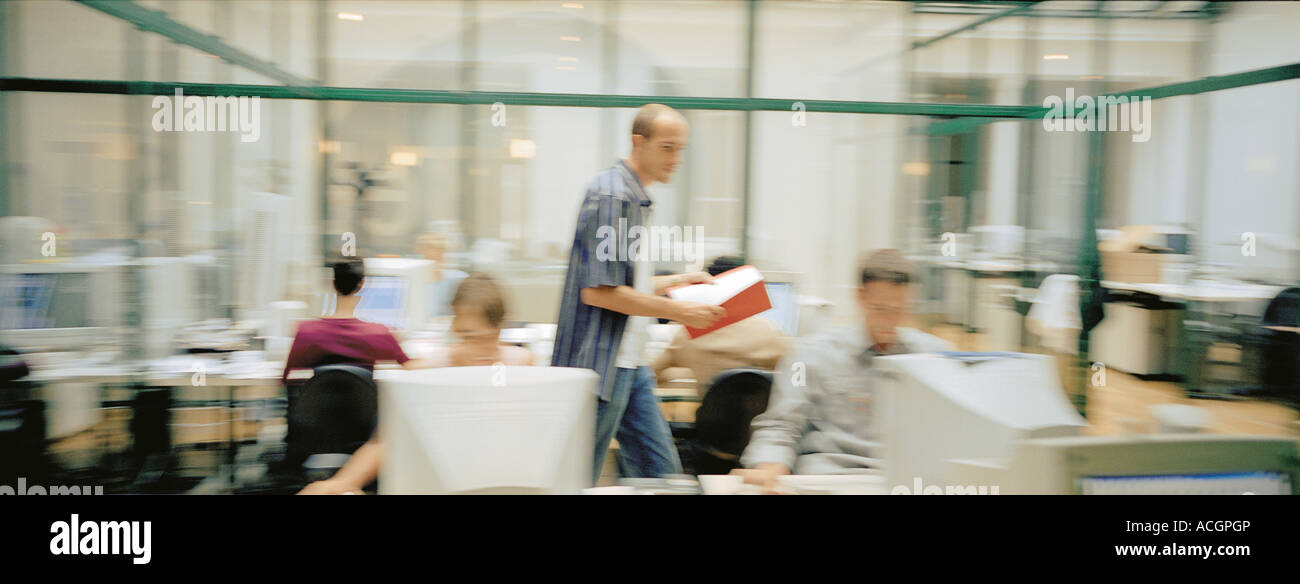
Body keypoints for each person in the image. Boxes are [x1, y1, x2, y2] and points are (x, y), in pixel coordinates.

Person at [551, 103, 726, 485]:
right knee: (577, 478)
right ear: (638, 142)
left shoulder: (634, 196)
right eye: (667, 147)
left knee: (663, 476)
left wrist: (679, 281)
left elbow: (622, 283)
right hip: (601, 365)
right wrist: (681, 313)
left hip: (628, 364)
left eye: (681, 148)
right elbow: (599, 292)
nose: (676, 158)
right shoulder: (615, 198)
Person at [731, 249, 955, 493]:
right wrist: (770, 468)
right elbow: (782, 425)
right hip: (829, 478)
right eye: (881, 309)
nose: (891, 320)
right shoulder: (811, 354)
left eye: (900, 309)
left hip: (903, 482)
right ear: (861, 298)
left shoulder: (934, 356)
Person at [298, 272, 531, 494]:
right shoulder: (429, 372)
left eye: (485, 338)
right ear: (455, 326)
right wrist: (343, 482)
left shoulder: (520, 366)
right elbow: (387, 441)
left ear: (499, 329)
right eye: (467, 336)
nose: (477, 350)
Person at [652, 255, 790, 397]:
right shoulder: (765, 331)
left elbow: (653, 373)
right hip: (758, 416)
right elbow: (794, 369)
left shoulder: (687, 335)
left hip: (708, 416)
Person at [282, 259, 435, 383]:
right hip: (362, 419)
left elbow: (285, 377)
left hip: (315, 418)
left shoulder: (307, 332)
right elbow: (410, 366)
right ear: (362, 285)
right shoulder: (379, 334)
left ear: (333, 284)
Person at [416, 232, 468, 318]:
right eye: (429, 258)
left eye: (438, 255)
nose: (433, 264)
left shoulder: (458, 279)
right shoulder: (413, 282)